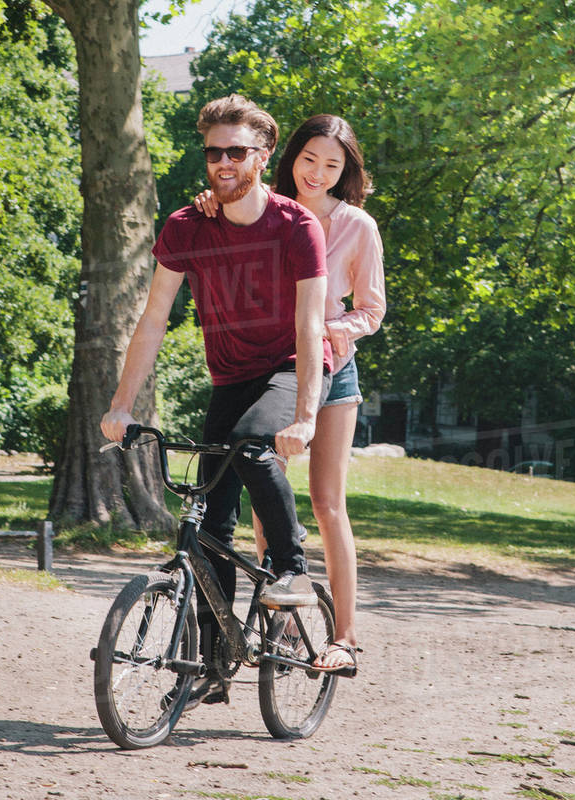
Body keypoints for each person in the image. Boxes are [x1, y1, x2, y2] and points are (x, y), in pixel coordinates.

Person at [100, 94, 331, 705]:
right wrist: (123, 406)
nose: (222, 162)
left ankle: (292, 568)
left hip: (290, 370)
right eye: (213, 152)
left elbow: (311, 328)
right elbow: (152, 321)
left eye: (236, 151)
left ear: (262, 156)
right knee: (210, 527)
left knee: (253, 449)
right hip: (230, 381)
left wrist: (305, 416)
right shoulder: (186, 227)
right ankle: (213, 659)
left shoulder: (296, 226)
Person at [194, 114, 386, 676]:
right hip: (275, 369)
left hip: (334, 375)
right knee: (261, 489)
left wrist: (335, 328)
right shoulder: (265, 208)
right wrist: (212, 200)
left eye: (333, 165)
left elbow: (372, 309)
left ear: (346, 170)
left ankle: (345, 639)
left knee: (327, 503)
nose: (318, 173)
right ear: (289, 157)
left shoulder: (358, 225)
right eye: (309, 160)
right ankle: (274, 621)